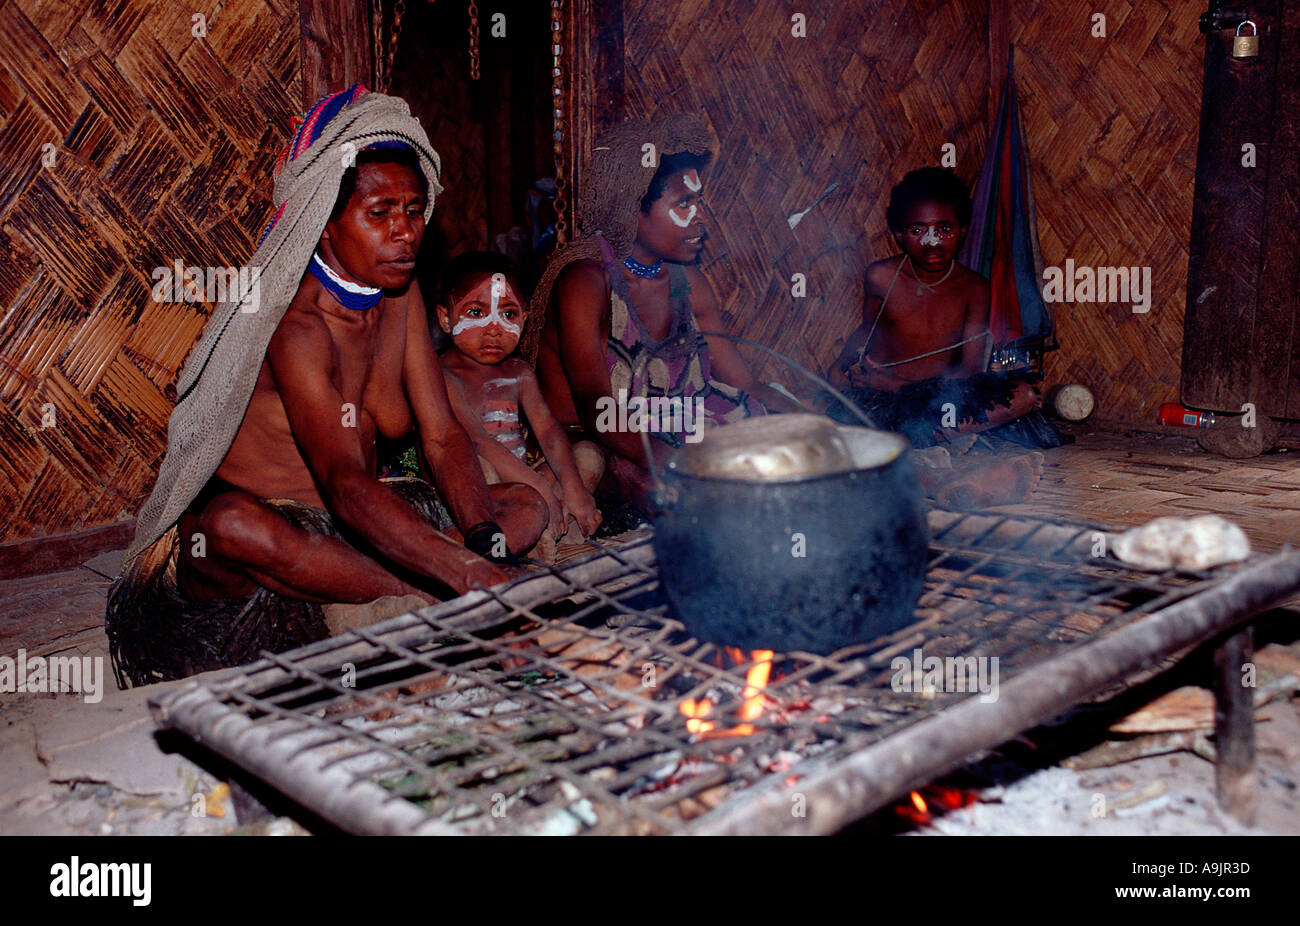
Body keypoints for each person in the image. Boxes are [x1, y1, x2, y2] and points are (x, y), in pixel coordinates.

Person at [106, 87, 546, 687]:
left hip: (356, 525)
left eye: (414, 211)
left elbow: (441, 437)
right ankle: (422, 589)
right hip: (286, 526)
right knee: (230, 526)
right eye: (380, 213)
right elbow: (342, 483)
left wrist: (485, 543)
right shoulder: (299, 327)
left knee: (524, 507)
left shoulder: (400, 296)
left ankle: (407, 584)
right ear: (325, 224)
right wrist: (470, 576)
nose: (405, 233)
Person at [527, 115, 808, 513]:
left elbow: (745, 383)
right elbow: (596, 408)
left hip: (673, 427)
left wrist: (821, 428)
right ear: (631, 211)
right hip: (600, 442)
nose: (702, 218)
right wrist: (683, 464)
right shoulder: (586, 282)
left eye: (700, 202)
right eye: (685, 203)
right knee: (665, 491)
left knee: (786, 457)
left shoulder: (690, 283)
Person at [827, 167, 1056, 450]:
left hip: (939, 396)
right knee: (807, 401)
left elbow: (971, 371)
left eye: (944, 229)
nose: (932, 242)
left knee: (1024, 395)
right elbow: (867, 330)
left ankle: (914, 440)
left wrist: (897, 384)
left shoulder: (974, 287)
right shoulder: (881, 276)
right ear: (899, 234)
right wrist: (839, 366)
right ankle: (937, 438)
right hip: (881, 396)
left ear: (961, 232)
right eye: (917, 230)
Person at [435, 251, 603, 558]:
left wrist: (573, 487)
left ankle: (561, 531)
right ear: (446, 318)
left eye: (509, 314)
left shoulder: (520, 373)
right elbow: (478, 440)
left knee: (588, 456)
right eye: (476, 312)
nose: (495, 328)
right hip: (483, 493)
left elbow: (549, 432)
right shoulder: (443, 375)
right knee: (480, 466)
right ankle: (530, 534)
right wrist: (539, 491)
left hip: (526, 479)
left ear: (524, 320)